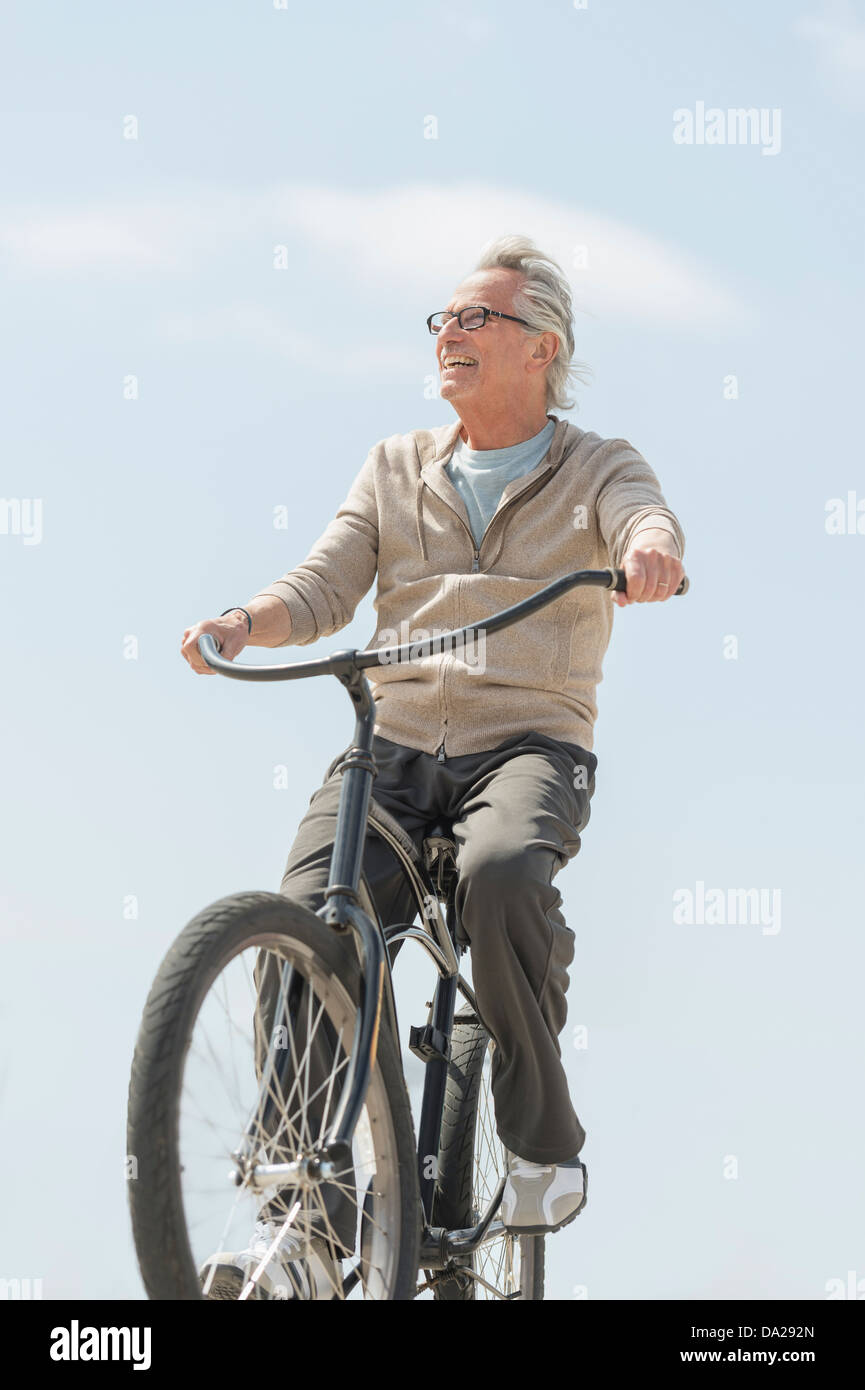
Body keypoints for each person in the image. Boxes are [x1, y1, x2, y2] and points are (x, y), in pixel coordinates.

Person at [181, 235, 685, 1298]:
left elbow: (646, 515)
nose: (448, 333)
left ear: (542, 346)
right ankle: (307, 1219)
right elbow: (322, 584)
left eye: (475, 318)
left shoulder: (596, 464)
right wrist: (243, 619)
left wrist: (649, 551)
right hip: (394, 746)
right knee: (309, 918)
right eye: (443, 318)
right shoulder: (396, 466)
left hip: (527, 746)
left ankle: (541, 1143)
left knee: (502, 877)